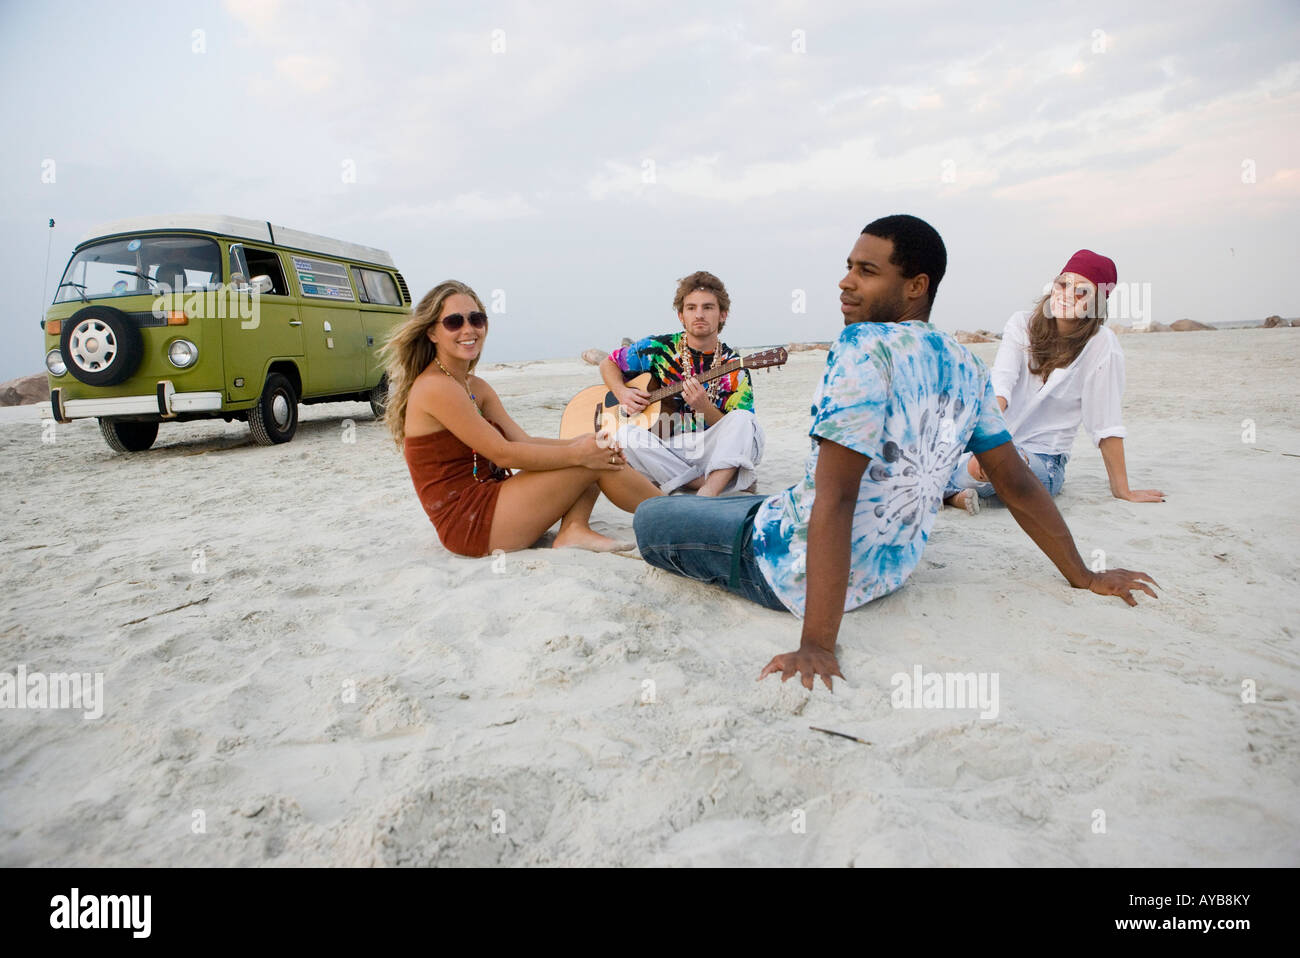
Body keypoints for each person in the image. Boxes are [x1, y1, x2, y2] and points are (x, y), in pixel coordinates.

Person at [633, 216, 1159, 690]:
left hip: (785, 564)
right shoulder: (960, 360)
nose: (845, 282)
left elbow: (837, 498)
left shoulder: (862, 349)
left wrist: (817, 644)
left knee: (652, 516)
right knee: (741, 503)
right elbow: (1016, 481)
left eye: (866, 270)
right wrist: (1083, 575)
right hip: (886, 569)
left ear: (915, 286)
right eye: (848, 268)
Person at [383, 280, 661, 557]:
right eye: (454, 322)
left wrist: (585, 443)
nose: (468, 329)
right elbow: (503, 454)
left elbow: (523, 441)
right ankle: (672, 512)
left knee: (591, 448)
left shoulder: (474, 386)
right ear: (432, 331)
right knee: (590, 460)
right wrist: (581, 453)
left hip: (493, 497)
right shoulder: (436, 387)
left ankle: (574, 529)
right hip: (469, 522)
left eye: (476, 319)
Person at [942, 250, 1165, 514]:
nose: (1067, 294)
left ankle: (947, 492)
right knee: (945, 452)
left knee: (998, 465)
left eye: (1082, 291)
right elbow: (1001, 385)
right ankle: (951, 494)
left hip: (1042, 461)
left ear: (1097, 304)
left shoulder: (1101, 344)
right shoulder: (1021, 323)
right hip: (993, 441)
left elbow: (1105, 422)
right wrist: (991, 442)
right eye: (1063, 283)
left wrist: (1122, 489)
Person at [598, 271, 765, 496]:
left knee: (746, 420)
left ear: (723, 315)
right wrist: (622, 393)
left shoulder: (735, 367)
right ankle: (704, 483)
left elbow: (737, 430)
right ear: (681, 315)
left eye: (708, 307)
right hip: (671, 448)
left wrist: (705, 408)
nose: (699, 314)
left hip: (712, 449)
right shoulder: (659, 349)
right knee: (625, 435)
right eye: (691, 308)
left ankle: (707, 491)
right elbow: (608, 364)